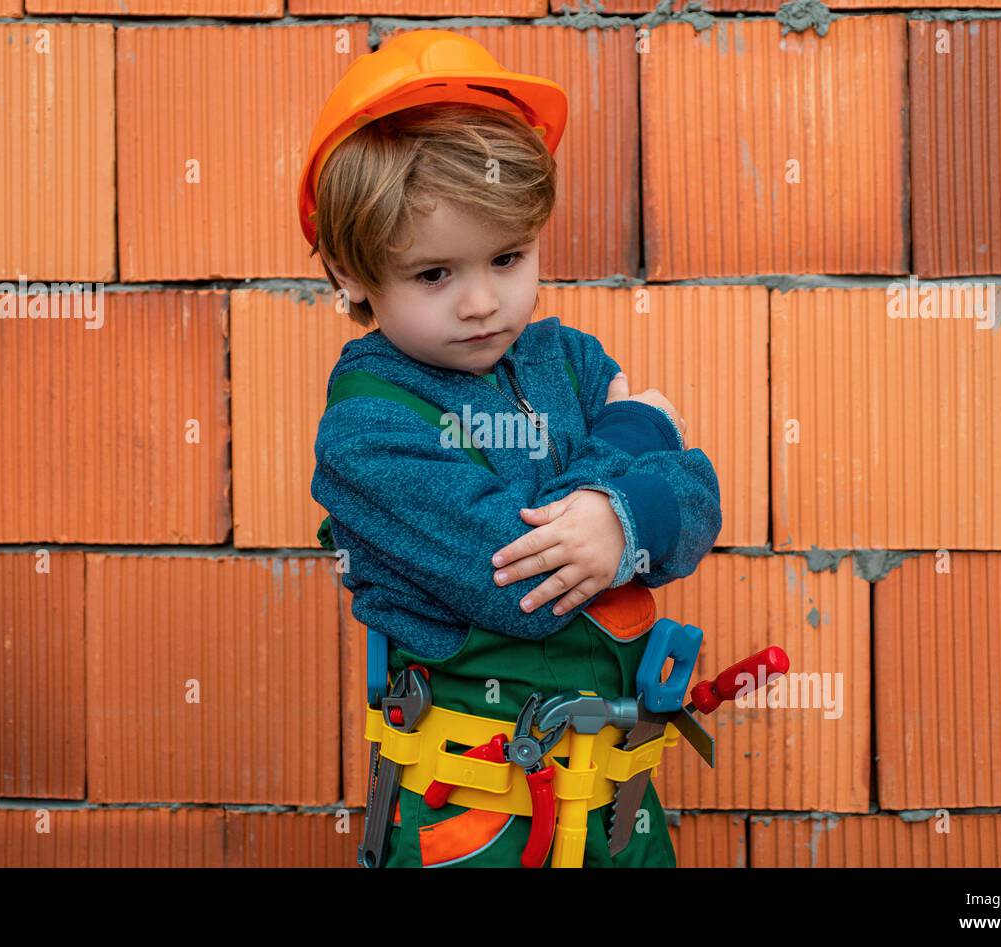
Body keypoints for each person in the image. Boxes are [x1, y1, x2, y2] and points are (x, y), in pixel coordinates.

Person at [303, 30, 722, 867]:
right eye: (434, 275)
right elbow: (519, 581)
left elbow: (700, 500)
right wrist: (634, 446)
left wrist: (627, 515)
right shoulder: (368, 427)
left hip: (616, 801)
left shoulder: (569, 359)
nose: (482, 302)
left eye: (508, 257)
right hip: (480, 817)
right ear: (352, 273)